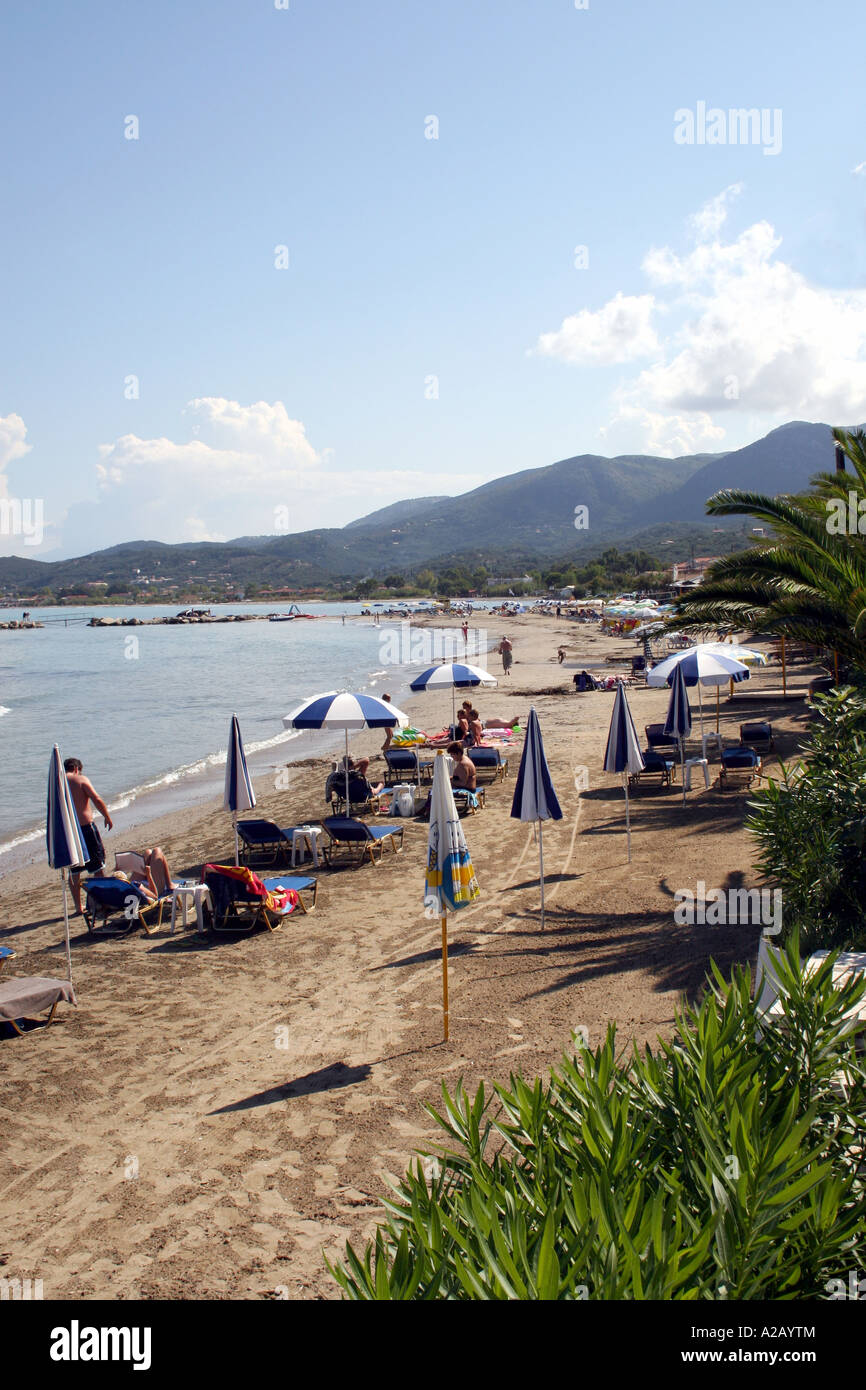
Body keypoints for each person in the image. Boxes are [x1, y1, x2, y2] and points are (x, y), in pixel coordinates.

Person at [64, 758, 113, 915]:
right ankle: (103, 901)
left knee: (75, 870)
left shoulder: (58, 784)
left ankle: (78, 907)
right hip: (85, 828)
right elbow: (96, 799)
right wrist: (107, 816)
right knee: (97, 866)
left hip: (70, 832)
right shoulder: (80, 779)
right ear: (76, 769)